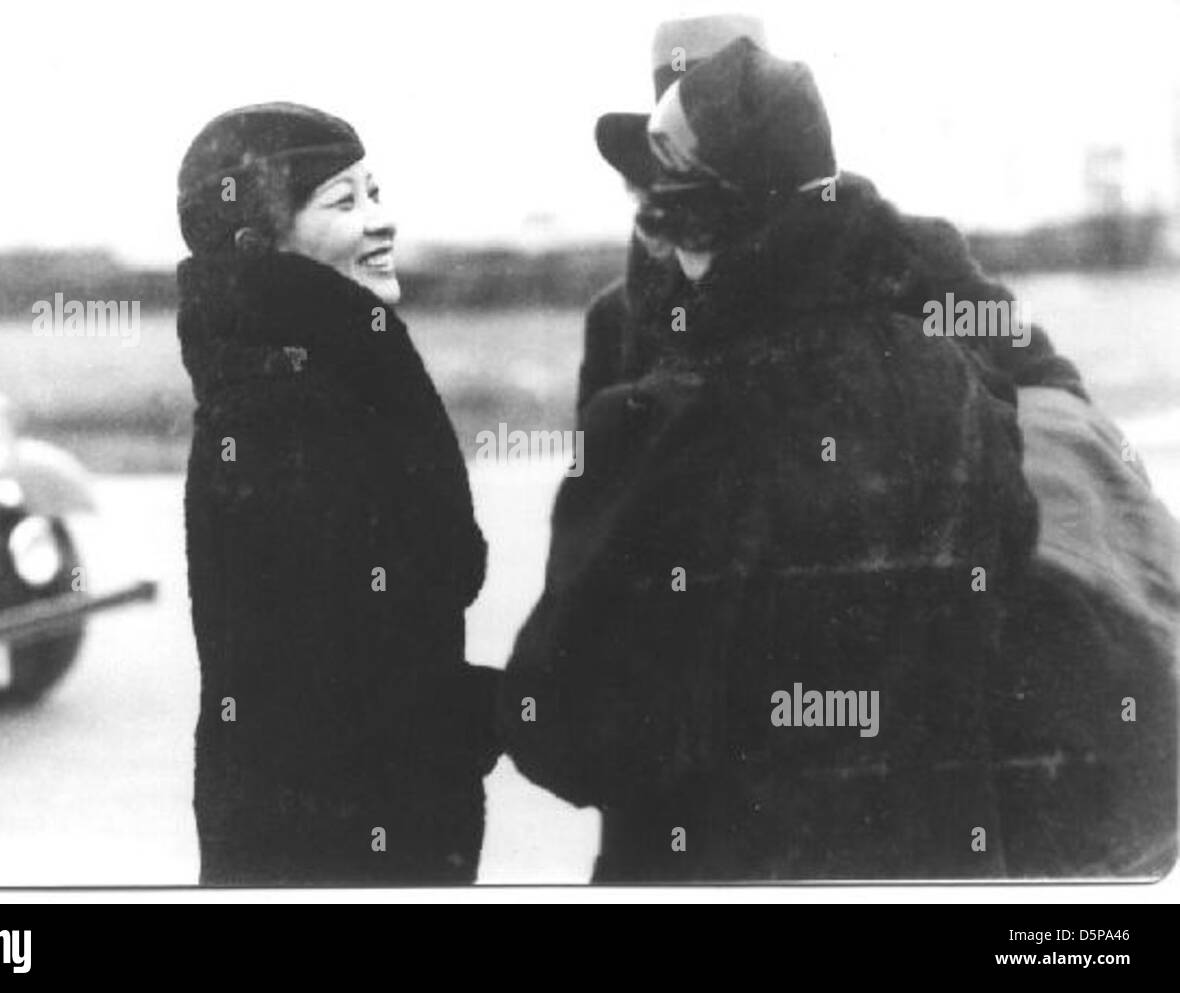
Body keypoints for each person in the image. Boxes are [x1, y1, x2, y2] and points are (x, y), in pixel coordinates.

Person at [500, 33, 1177, 881]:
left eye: (668, 209)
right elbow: (998, 554)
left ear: (709, 214)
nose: (657, 238)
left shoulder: (676, 412)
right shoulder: (956, 389)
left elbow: (576, 722)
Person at [176, 103, 500, 885]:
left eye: (376, 194)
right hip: (332, 850)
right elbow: (332, 687)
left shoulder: (330, 376)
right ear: (262, 244)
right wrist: (517, 708)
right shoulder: (278, 410)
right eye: (344, 203)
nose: (381, 223)